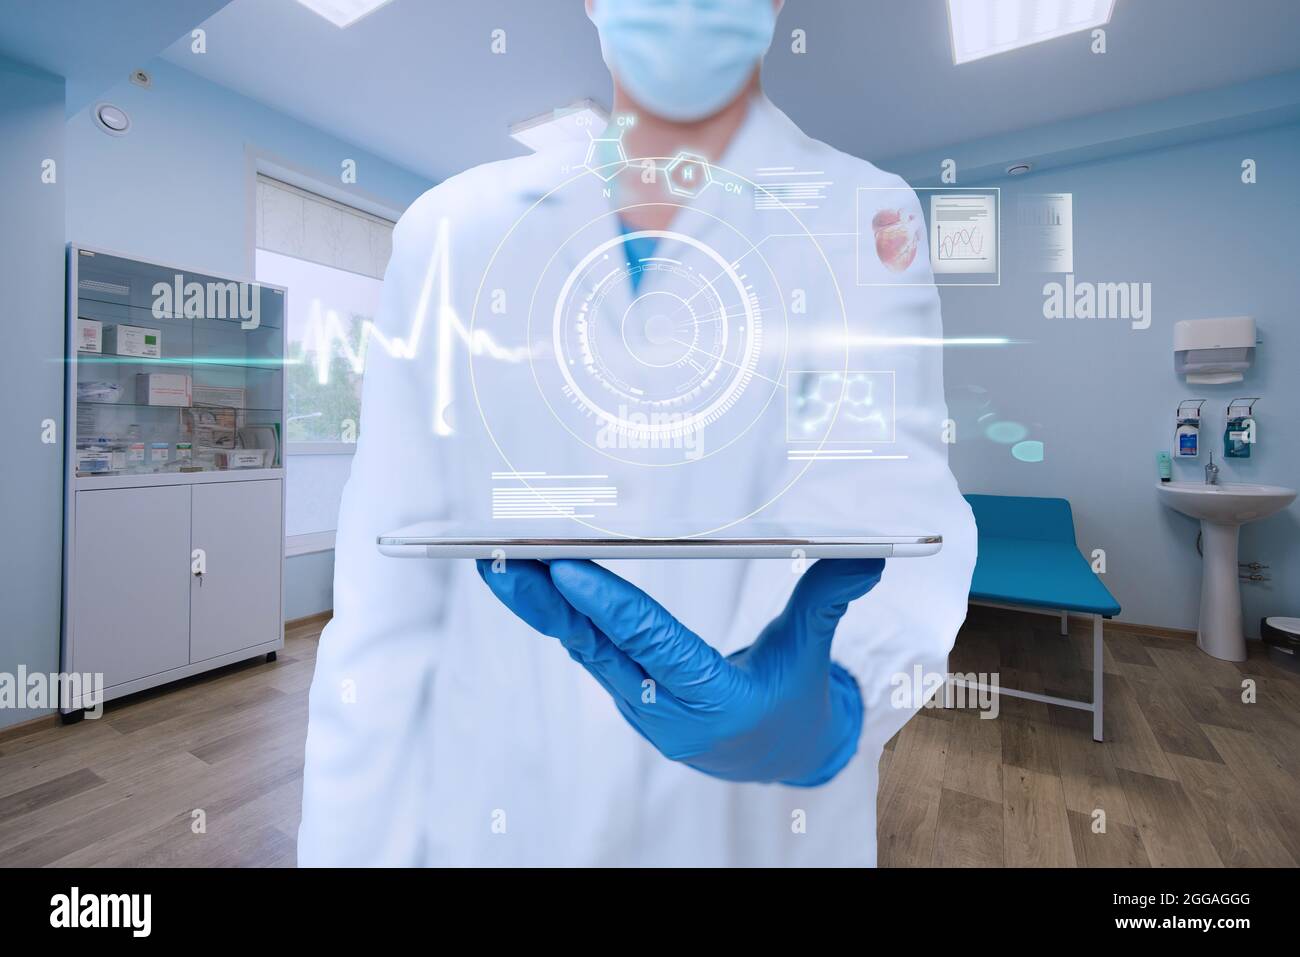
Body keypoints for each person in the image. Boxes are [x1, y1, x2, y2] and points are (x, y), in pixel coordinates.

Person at [298, 0, 976, 867]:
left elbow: (907, 522)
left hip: (750, 830)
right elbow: (380, 630)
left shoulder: (865, 218)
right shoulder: (450, 234)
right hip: (494, 820)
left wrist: (836, 697)